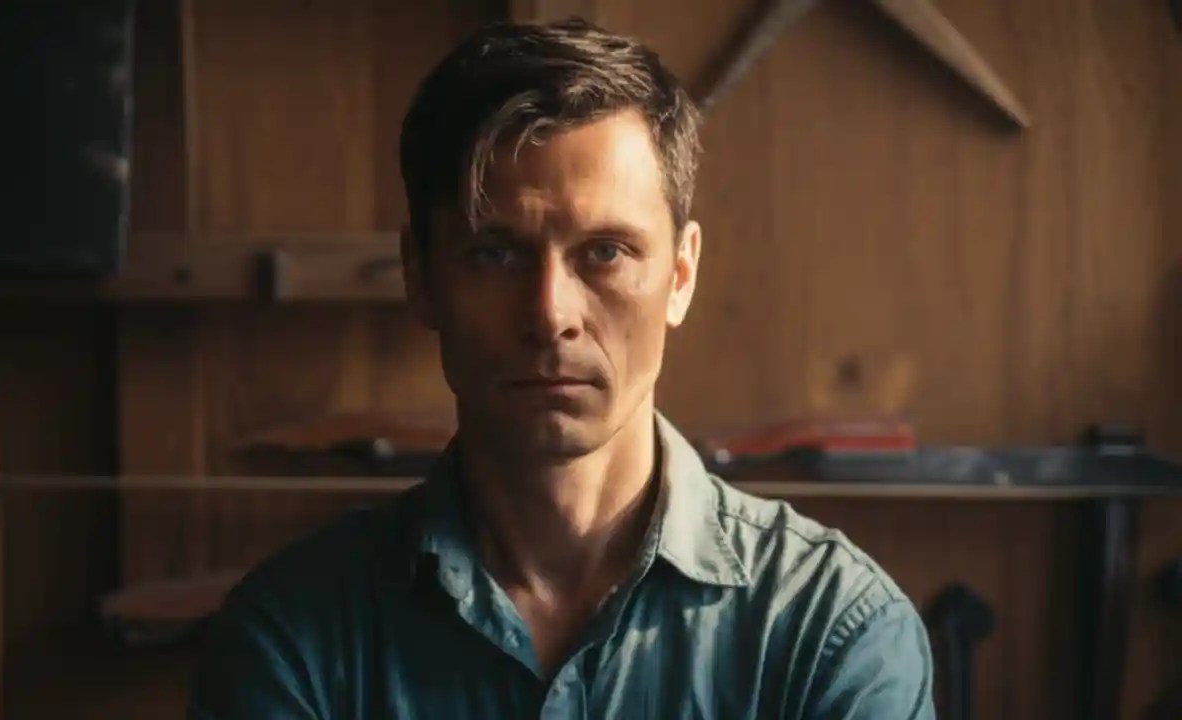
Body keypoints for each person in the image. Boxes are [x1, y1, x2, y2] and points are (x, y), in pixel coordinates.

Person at [189, 18, 934, 719]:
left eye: (605, 252)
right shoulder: (292, 636)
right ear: (421, 276)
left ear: (680, 275)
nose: (550, 315)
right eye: (495, 253)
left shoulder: (830, 630)